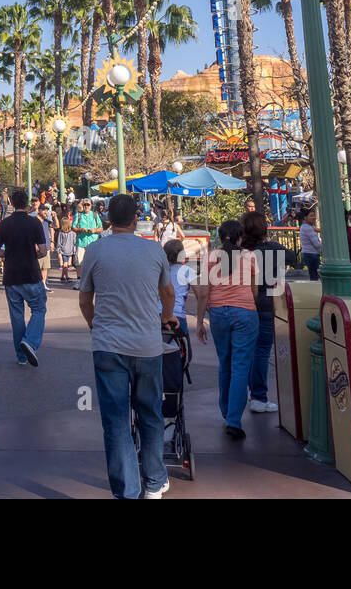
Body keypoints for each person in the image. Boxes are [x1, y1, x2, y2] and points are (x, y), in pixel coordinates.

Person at [77, 194, 177, 499]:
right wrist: (165, 318)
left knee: (116, 420)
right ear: (136, 218)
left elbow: (84, 299)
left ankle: (127, 492)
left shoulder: (94, 250)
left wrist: (96, 325)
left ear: (108, 219)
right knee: (150, 413)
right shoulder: (153, 249)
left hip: (108, 346)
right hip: (147, 346)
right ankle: (155, 481)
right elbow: (168, 294)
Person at [193, 219, 258, 439]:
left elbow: (203, 293)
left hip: (219, 313)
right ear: (241, 237)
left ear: (220, 237)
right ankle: (233, 419)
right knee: (241, 366)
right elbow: (254, 289)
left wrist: (200, 321)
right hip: (245, 312)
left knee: (225, 362)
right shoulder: (249, 256)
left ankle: (226, 410)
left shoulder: (210, 257)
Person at [0, 188, 48, 366]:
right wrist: (33, 255)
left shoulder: (4, 223)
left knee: (17, 316)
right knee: (39, 309)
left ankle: (21, 356)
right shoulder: (35, 223)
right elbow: (43, 251)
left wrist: (8, 253)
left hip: (11, 275)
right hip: (31, 273)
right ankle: (30, 341)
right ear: (26, 203)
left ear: (12, 203)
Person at [241, 211, 288, 415]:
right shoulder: (274, 249)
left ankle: (252, 393)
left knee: (249, 350)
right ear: (264, 229)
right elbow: (294, 257)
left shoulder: (239, 252)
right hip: (267, 303)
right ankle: (259, 397)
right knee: (261, 350)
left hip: (244, 304)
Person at [74, 198, 101, 270]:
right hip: (81, 242)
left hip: (93, 243)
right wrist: (80, 229)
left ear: (91, 206)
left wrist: (94, 230)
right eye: (85, 205)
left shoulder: (95, 215)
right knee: (79, 262)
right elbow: (73, 228)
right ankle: (79, 279)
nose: (86, 206)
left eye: (88, 205)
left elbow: (101, 228)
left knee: (93, 263)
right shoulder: (78, 215)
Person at [56, 207, 78, 285]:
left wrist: (58, 250)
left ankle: (63, 277)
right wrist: (74, 250)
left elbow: (59, 242)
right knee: (66, 265)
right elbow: (74, 242)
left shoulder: (61, 233)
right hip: (70, 250)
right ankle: (65, 277)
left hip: (63, 250)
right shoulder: (73, 233)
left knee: (65, 265)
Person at [299, 209, 321, 279]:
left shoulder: (303, 227)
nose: (314, 217)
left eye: (314, 216)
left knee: (313, 275)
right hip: (312, 254)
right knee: (315, 276)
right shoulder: (308, 228)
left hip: (307, 253)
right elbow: (317, 244)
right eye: (311, 216)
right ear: (305, 218)